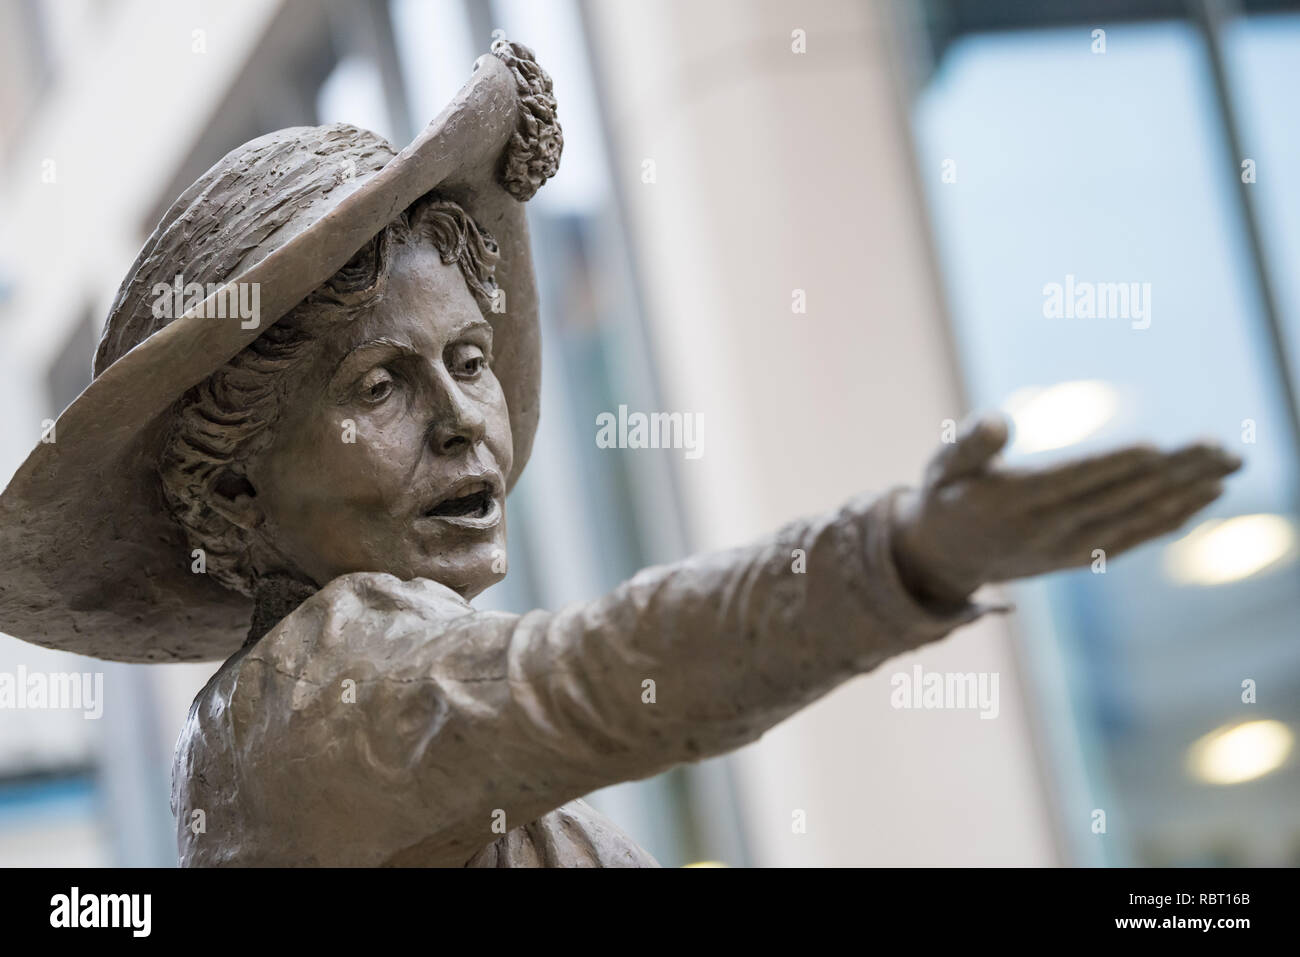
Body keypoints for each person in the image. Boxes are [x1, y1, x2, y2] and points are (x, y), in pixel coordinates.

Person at [0, 42, 1240, 867]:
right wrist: (893, 558)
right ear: (232, 486)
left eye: (472, 362)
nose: (462, 420)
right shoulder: (313, 701)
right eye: (380, 383)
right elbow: (601, 671)